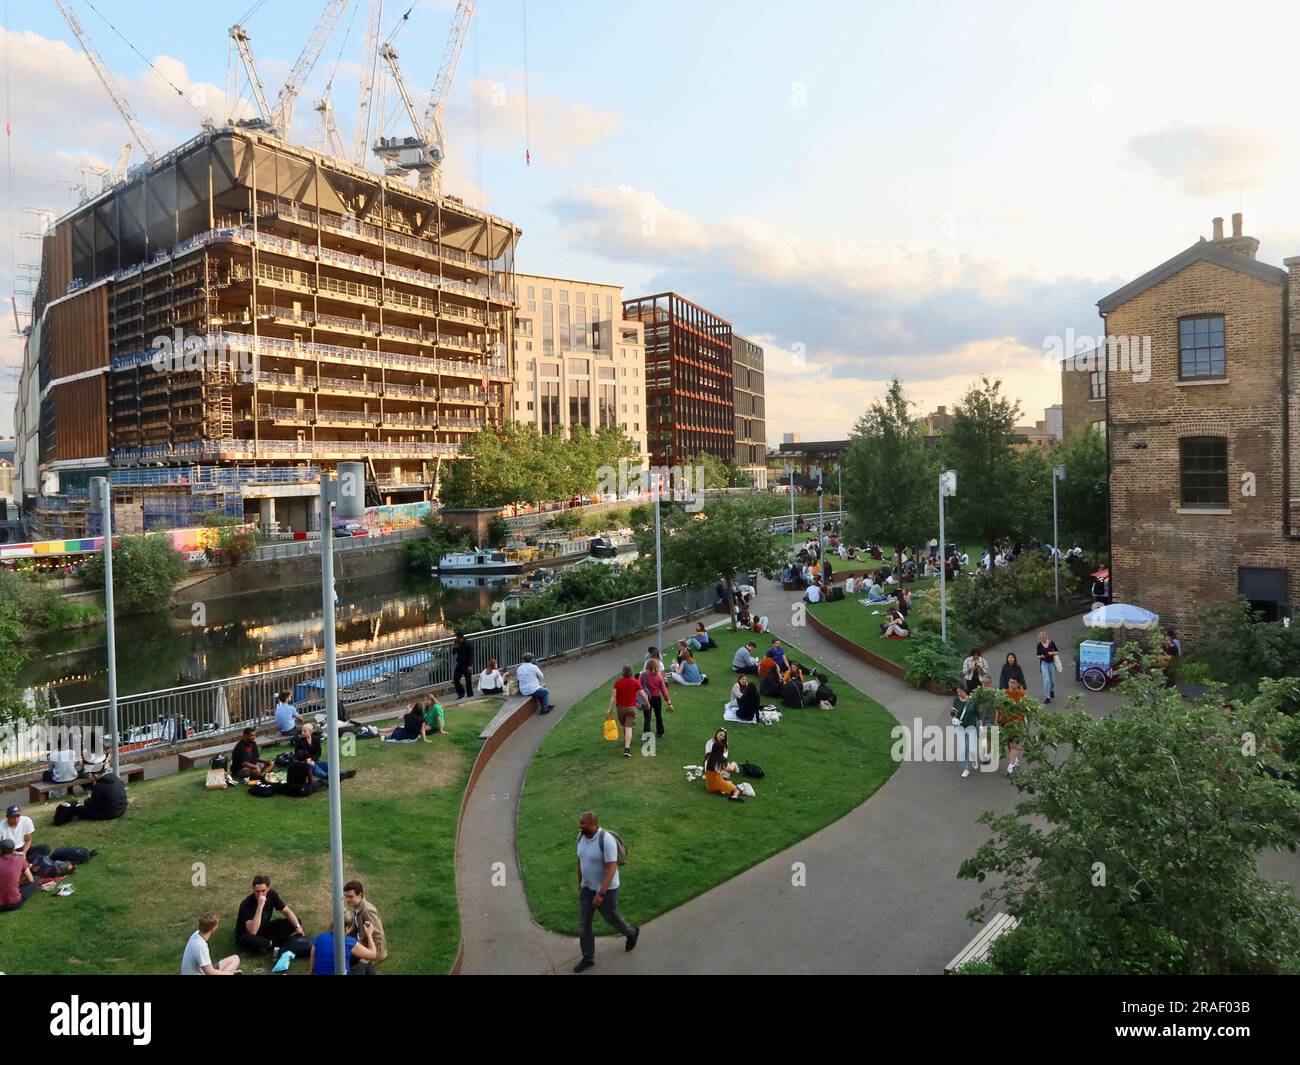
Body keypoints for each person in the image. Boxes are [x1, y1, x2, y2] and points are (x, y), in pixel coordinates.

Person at [574, 810, 639, 972]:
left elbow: (612, 868)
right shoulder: (580, 837)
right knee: (584, 925)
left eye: (584, 824)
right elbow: (580, 859)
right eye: (580, 823)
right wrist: (580, 881)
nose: (580, 826)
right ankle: (588, 957)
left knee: (612, 919)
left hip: (607, 890)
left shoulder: (606, 840)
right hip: (587, 889)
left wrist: (601, 893)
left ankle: (631, 933)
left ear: (594, 824)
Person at [235, 875, 305, 955]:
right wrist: (260, 906)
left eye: (263, 891)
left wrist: (298, 927)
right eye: (257, 891)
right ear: (253, 889)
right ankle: (274, 943)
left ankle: (268, 944)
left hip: (264, 927)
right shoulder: (246, 904)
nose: (260, 895)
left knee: (295, 922)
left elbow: (286, 911)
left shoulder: (272, 895)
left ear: (268, 889)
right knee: (247, 939)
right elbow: (253, 931)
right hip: (248, 933)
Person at [310, 918, 379, 976]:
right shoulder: (348, 942)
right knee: (366, 966)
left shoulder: (318, 938)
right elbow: (373, 954)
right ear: (347, 928)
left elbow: (312, 967)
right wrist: (369, 934)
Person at [344, 881, 389, 964]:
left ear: (360, 895)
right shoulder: (356, 907)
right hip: (363, 944)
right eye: (346, 897)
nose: (347, 900)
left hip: (373, 953)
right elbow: (355, 928)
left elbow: (378, 935)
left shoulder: (367, 910)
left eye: (350, 897)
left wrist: (368, 957)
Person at [609, 665, 643, 758]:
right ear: (631, 672)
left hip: (620, 709)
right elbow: (642, 694)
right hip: (631, 708)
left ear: (623, 673)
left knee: (625, 725)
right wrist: (647, 703)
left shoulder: (618, 682)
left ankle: (626, 742)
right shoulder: (635, 682)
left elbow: (613, 697)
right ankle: (627, 748)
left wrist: (609, 709)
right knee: (628, 727)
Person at [0, 840, 37, 913]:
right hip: (15, 904)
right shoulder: (20, 860)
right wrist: (19, 883)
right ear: (13, 850)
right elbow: (30, 879)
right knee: (35, 878)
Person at [639, 658, 672, 739]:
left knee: (647, 717)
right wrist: (669, 702)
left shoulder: (643, 675)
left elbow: (638, 686)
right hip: (656, 698)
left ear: (647, 666)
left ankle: (647, 736)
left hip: (646, 698)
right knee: (658, 715)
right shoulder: (659, 677)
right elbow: (664, 690)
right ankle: (660, 732)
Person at [1000, 679, 1028, 776]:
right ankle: (1015, 761)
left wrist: (1025, 723)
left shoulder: (1022, 696)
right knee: (1009, 744)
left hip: (1017, 724)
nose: (1010, 684)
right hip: (1006, 723)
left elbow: (1026, 710)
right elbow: (999, 707)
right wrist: (999, 719)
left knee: (1014, 745)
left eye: (1013, 683)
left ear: (1018, 684)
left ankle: (1010, 767)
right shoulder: (1004, 693)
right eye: (1009, 682)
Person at [951, 686, 979, 778]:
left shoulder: (972, 701)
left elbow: (977, 714)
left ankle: (974, 759)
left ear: (965, 691)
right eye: (957, 692)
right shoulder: (956, 700)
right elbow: (953, 712)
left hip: (971, 727)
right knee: (963, 749)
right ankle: (965, 768)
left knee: (971, 749)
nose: (959, 694)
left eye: (960, 692)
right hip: (960, 727)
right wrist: (954, 718)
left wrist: (980, 726)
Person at [1035, 631, 1060, 704]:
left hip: (1051, 664)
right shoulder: (1039, 645)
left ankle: (1051, 690)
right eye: (1041, 638)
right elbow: (1038, 655)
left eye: (1044, 638)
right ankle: (1047, 697)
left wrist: (1052, 653)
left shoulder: (1051, 643)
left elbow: (1056, 651)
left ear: (1047, 637)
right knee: (1046, 680)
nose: (1042, 639)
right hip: (1044, 664)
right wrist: (1041, 656)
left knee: (1052, 681)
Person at [451, 633, 474, 700]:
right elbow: (453, 653)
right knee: (455, 679)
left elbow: (470, 655)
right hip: (459, 664)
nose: (456, 639)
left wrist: (470, 665)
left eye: (457, 637)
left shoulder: (467, 644)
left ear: (461, 638)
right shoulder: (457, 643)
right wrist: (455, 647)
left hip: (467, 665)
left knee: (468, 680)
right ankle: (461, 693)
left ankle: (470, 694)